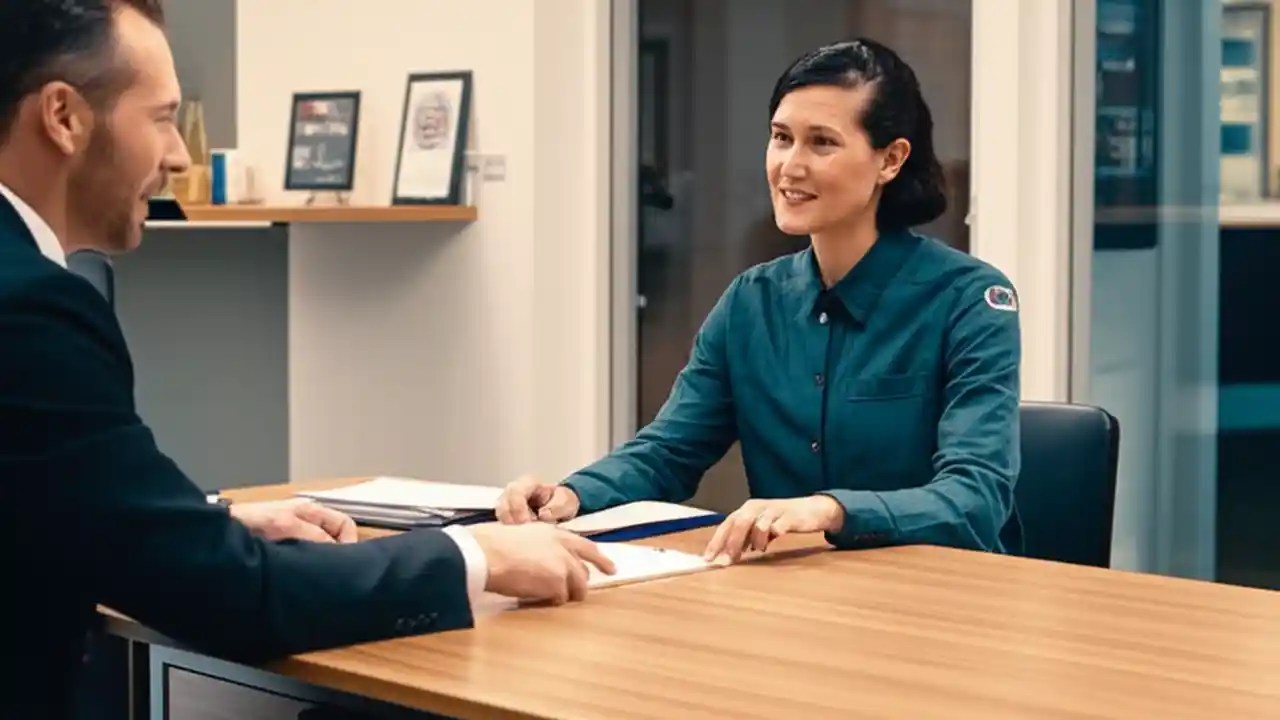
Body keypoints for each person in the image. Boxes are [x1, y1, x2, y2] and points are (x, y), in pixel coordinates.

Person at [0, 2, 613, 716]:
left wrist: (206, 522)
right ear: (63, 117)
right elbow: (227, 596)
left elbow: (48, 489)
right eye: (163, 117)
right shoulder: (32, 308)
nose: (180, 157)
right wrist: (476, 557)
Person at [498, 39, 1024, 563]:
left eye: (821, 143)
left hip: (943, 599)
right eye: (781, 138)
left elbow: (974, 499)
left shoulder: (969, 300)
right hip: (794, 594)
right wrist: (571, 496)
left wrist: (829, 510)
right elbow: (669, 451)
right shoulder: (751, 302)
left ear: (890, 159)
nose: (789, 166)